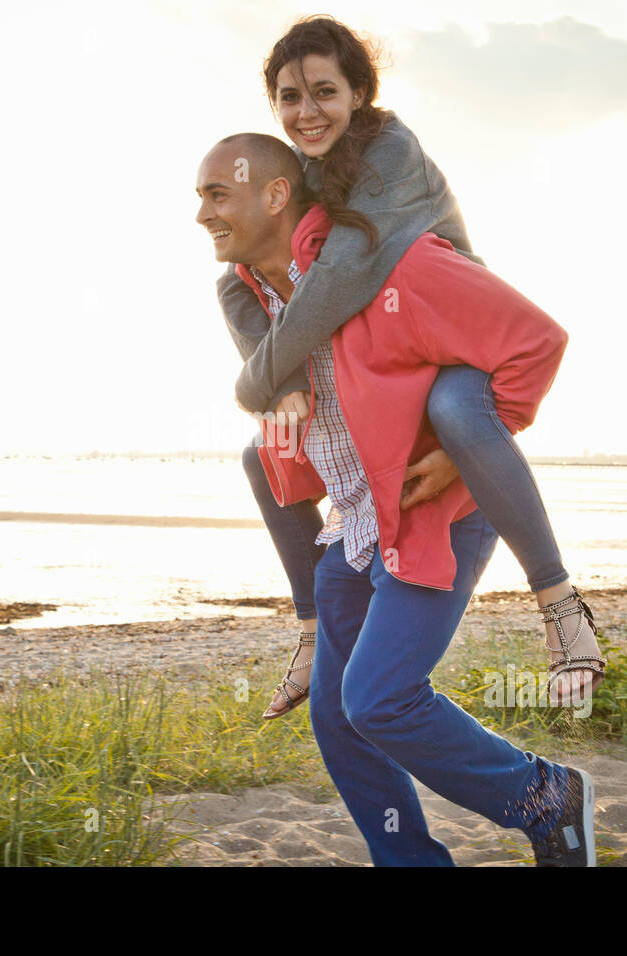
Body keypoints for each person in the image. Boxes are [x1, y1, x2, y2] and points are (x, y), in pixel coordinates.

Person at [195, 133, 597, 865]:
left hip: (435, 516)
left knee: (379, 699)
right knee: (337, 718)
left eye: (216, 194)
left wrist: (457, 450)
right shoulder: (254, 296)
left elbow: (537, 340)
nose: (201, 214)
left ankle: (546, 798)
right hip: (354, 524)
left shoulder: (392, 261)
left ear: (276, 195)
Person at [218, 16, 604, 719]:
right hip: (380, 349)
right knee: (260, 454)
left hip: (452, 336)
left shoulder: (387, 152)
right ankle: (309, 630)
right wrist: (285, 383)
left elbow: (336, 282)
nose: (306, 112)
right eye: (288, 97)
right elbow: (243, 272)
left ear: (360, 92)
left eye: (325, 92)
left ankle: (559, 602)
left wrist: (252, 383)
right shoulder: (298, 169)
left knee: (457, 414)